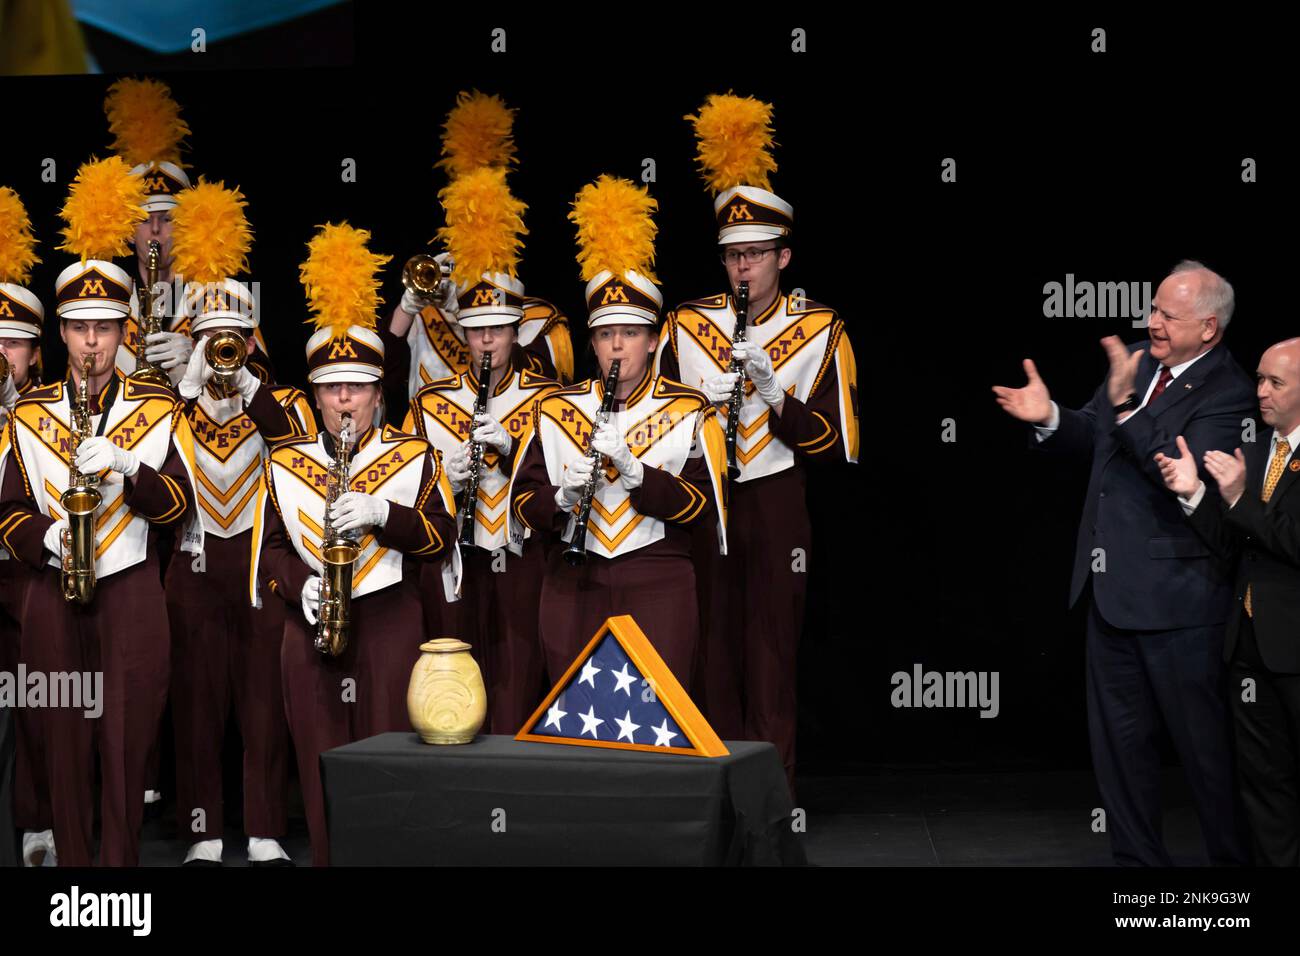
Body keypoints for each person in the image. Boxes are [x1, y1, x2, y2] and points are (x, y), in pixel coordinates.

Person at [993, 259, 1253, 866]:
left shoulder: (1232, 393)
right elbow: (1096, 434)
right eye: (1153, 308)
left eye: (1169, 316)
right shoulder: (1134, 360)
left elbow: (1179, 477)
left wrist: (1131, 407)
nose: (1153, 322)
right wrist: (1052, 418)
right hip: (1109, 596)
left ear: (1209, 328)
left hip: (1181, 603)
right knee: (1120, 756)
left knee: (1207, 761)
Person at [0, 158, 203, 864]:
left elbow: (177, 504)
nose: (92, 343)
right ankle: (72, 877)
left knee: (126, 744)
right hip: (53, 592)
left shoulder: (158, 407)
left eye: (106, 328)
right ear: (60, 333)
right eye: (81, 328)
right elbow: (7, 511)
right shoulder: (30, 412)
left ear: (123, 332)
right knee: (59, 742)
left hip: (131, 589)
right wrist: (49, 539)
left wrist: (127, 467)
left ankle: (119, 875)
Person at [658, 94, 859, 788]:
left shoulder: (821, 328)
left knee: (771, 655)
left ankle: (772, 803)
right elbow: (647, 425)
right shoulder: (686, 323)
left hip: (776, 503)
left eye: (755, 254)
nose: (742, 268)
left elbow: (836, 445)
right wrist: (695, 412)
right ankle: (714, 798)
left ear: (784, 255)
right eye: (732, 255)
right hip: (705, 503)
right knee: (710, 650)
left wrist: (776, 398)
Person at [252, 223, 458, 865]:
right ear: (314, 394)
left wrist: (383, 514)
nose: (345, 399)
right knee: (318, 766)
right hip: (309, 628)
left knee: (389, 766)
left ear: (377, 392)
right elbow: (270, 554)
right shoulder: (284, 460)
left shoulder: (416, 454)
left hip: (390, 621)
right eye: (332, 387)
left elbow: (440, 539)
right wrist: (301, 586)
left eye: (358, 387)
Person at [510, 175, 727, 689]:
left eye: (630, 333)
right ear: (593, 342)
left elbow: (701, 508)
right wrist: (562, 497)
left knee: (659, 714)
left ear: (653, 341)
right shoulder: (554, 408)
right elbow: (522, 505)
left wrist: (636, 473)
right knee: (572, 716)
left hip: (658, 577)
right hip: (572, 579)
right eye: (606, 334)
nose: (616, 346)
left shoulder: (688, 409)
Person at [164, 180, 315, 866]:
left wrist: (249, 385)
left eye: (232, 342)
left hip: (259, 567)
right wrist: (188, 386)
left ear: (253, 343)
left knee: (262, 703)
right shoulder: (173, 404)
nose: (221, 353)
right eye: (209, 342)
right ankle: (201, 830)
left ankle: (262, 828)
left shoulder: (284, 401)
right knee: (197, 703)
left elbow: (295, 450)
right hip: (192, 567)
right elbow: (154, 460)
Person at [403, 166, 558, 732]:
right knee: (455, 685)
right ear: (464, 333)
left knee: (517, 681)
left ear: (516, 331)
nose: (487, 340)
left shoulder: (548, 398)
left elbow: (565, 486)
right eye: (476, 330)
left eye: (497, 329)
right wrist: (447, 478)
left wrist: (513, 450)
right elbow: (404, 484)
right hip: (457, 555)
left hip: (521, 554)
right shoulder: (430, 401)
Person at [1157, 337, 1300, 865]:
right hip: (1250, 651)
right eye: (1259, 378)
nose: (1260, 391)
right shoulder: (1255, 450)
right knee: (1264, 785)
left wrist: (1239, 498)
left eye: (1275, 382)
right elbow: (1234, 544)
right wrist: (1194, 494)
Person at [385, 91, 572, 396]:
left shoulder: (539, 318)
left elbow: (543, 382)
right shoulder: (428, 313)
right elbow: (381, 383)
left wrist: (473, 316)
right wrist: (406, 309)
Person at [0, 185, 52, 866]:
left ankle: (40, 824)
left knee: (40, 703)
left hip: (26, 571)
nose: (3, 352)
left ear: (36, 351)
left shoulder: (50, 408)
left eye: (13, 342)